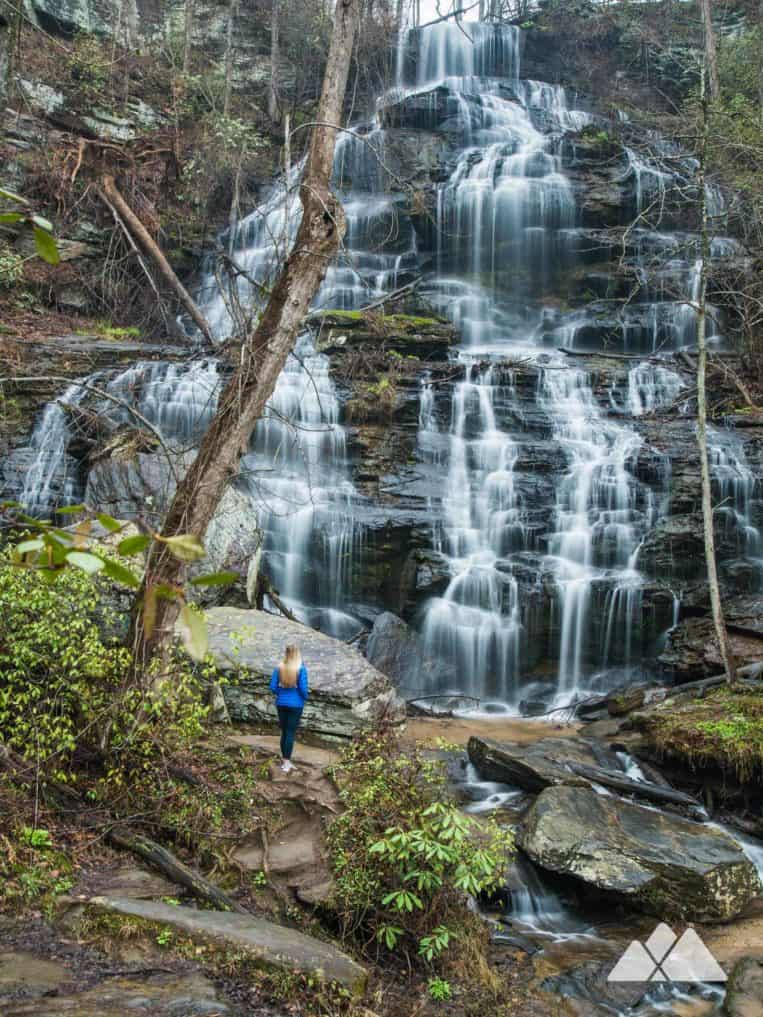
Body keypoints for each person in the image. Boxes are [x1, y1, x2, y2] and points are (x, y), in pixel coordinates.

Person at [269, 644, 308, 772]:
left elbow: (272, 687)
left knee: (284, 732)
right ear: (297, 653)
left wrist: (281, 692)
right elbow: (303, 689)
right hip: (296, 705)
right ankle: (287, 763)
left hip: (281, 703)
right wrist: (304, 697)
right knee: (290, 733)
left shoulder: (279, 667)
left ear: (286, 653)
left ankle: (284, 760)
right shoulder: (301, 668)